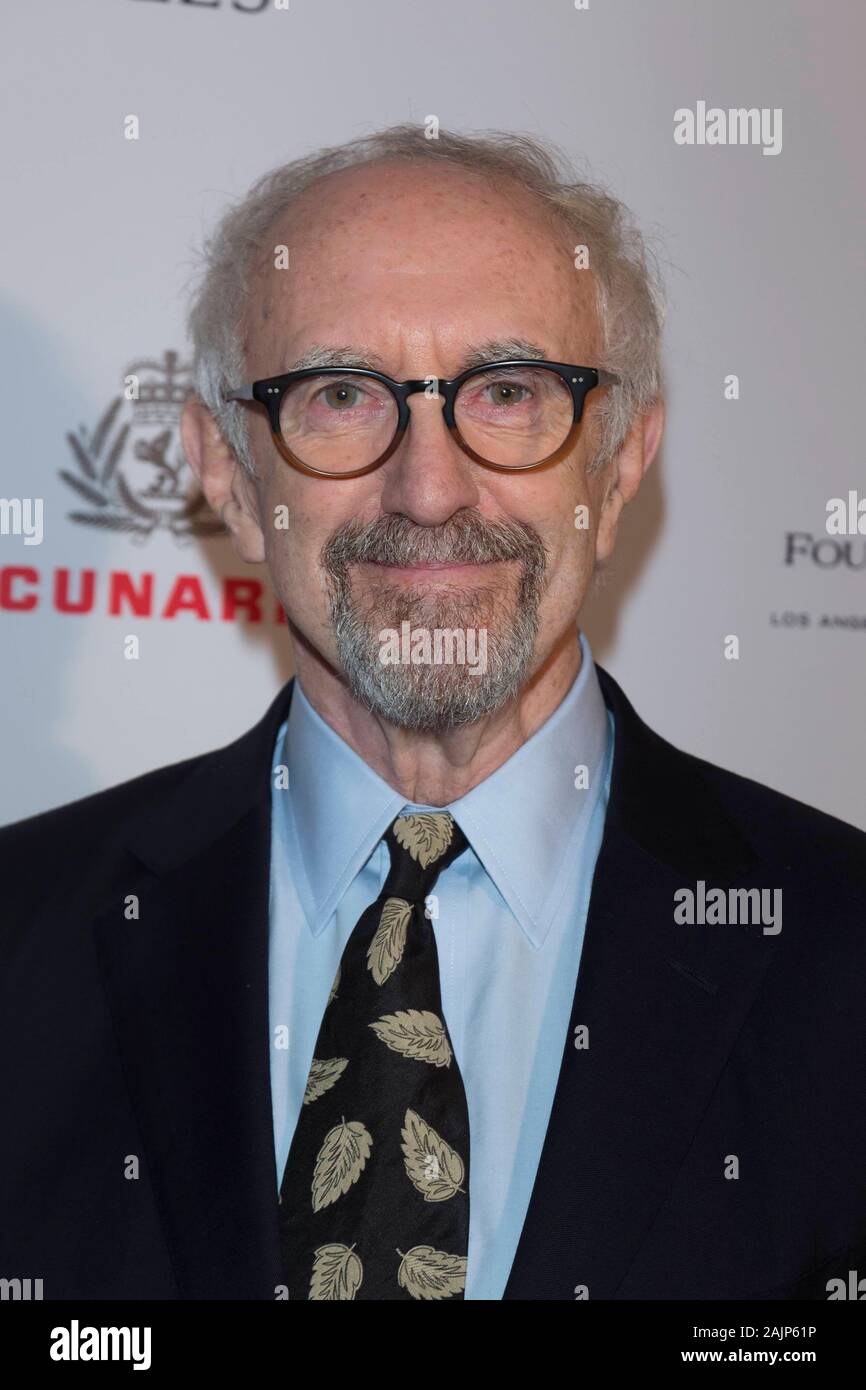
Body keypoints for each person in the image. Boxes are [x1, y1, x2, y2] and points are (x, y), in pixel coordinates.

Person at [1, 124, 864, 1302]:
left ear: (615, 472)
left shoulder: (838, 953)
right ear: (230, 480)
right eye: (341, 393)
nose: (428, 487)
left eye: (507, 393)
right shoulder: (23, 942)